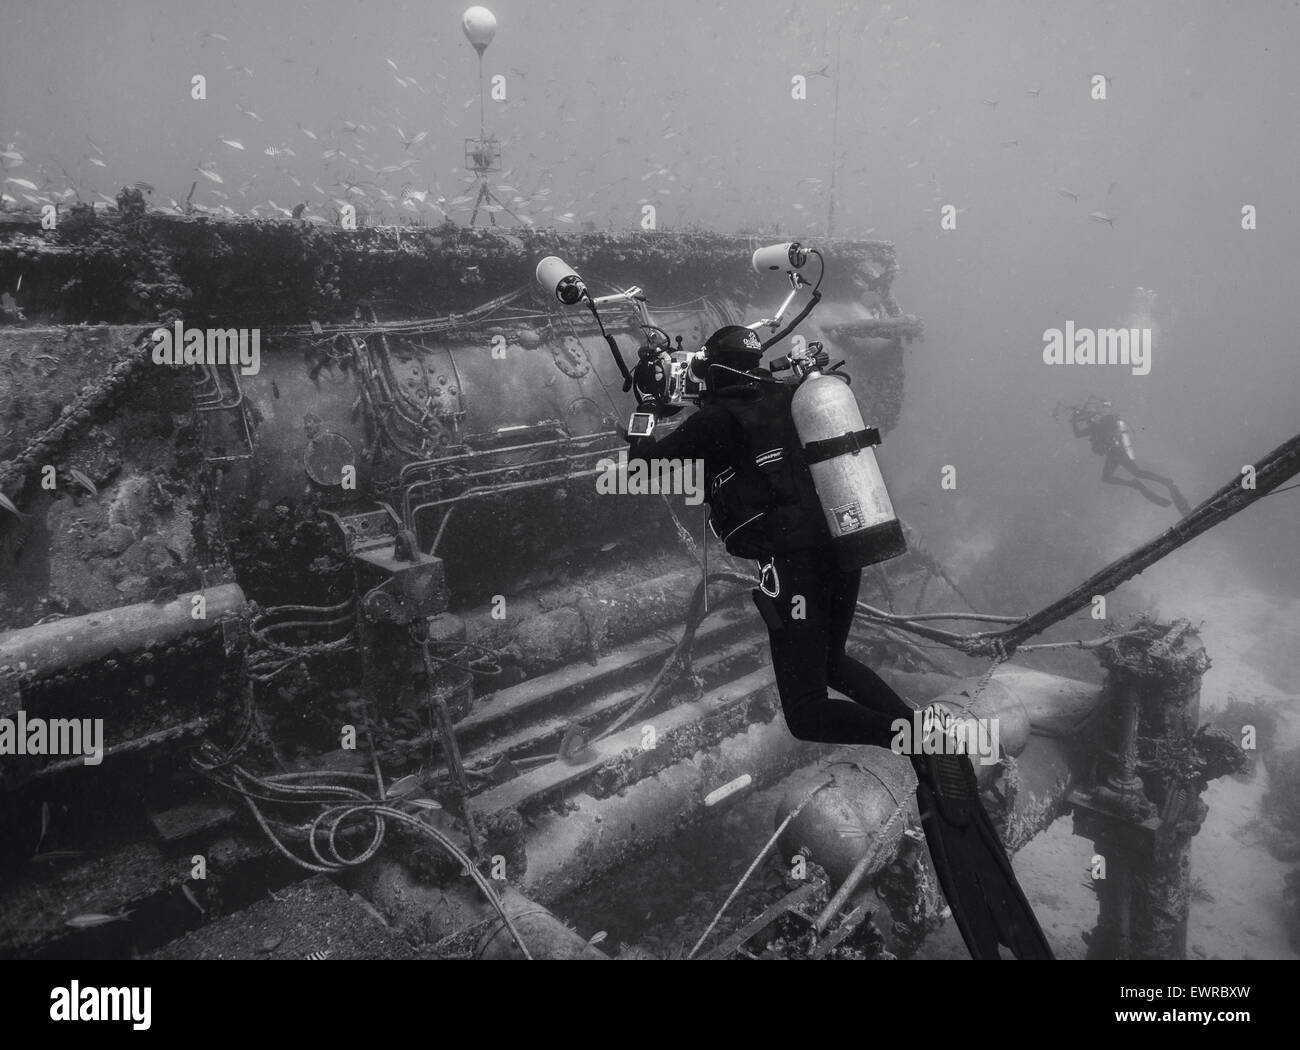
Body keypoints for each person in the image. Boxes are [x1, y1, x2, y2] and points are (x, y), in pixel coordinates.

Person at [622, 324, 1052, 960]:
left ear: (712, 372)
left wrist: (645, 414)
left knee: (804, 711)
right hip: (843, 553)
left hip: (795, 568)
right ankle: (920, 737)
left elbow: (642, 473)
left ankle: (917, 746)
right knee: (835, 662)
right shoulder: (797, 396)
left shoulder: (716, 421)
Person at [1070, 401, 1192, 516]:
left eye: (1089, 417)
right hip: (1112, 454)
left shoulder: (1103, 422)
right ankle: (1148, 483)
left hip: (1117, 452)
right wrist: (1074, 422)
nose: (1087, 420)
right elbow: (1078, 434)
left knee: (1136, 473)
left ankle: (1162, 481)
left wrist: (1082, 418)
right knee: (1111, 477)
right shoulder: (1095, 426)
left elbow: (1104, 423)